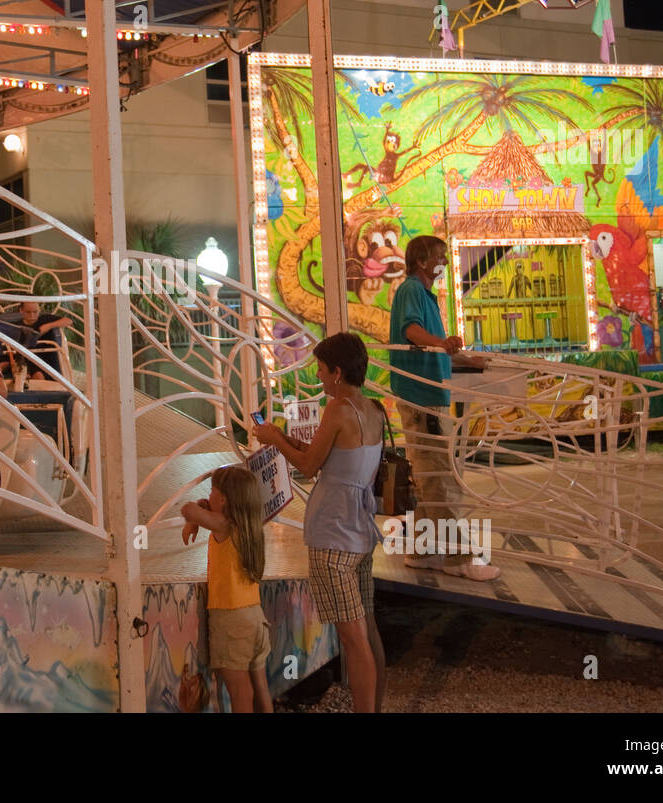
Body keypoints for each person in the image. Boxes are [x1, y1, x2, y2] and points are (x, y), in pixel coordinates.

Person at [255, 332, 386, 713]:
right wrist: (279, 436)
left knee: (353, 638)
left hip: (333, 535)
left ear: (338, 372)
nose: (319, 375)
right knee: (368, 631)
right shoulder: (373, 410)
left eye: (322, 369)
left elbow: (309, 467)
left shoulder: (338, 409)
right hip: (360, 531)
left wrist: (274, 441)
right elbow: (331, 460)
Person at [388, 235, 499, 581]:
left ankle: (421, 551)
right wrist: (442, 342)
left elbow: (435, 345)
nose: (444, 262)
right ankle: (458, 559)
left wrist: (467, 359)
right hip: (423, 397)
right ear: (421, 261)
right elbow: (412, 332)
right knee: (441, 479)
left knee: (431, 477)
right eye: (439, 256)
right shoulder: (411, 291)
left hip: (430, 395)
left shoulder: (424, 296)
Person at [180, 465, 273, 714]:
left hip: (231, 620)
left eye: (212, 493)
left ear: (223, 499)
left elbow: (186, 509)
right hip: (255, 618)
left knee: (241, 693)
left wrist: (194, 518)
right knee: (260, 688)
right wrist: (202, 512)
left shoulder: (224, 525)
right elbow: (198, 510)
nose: (208, 497)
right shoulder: (250, 527)